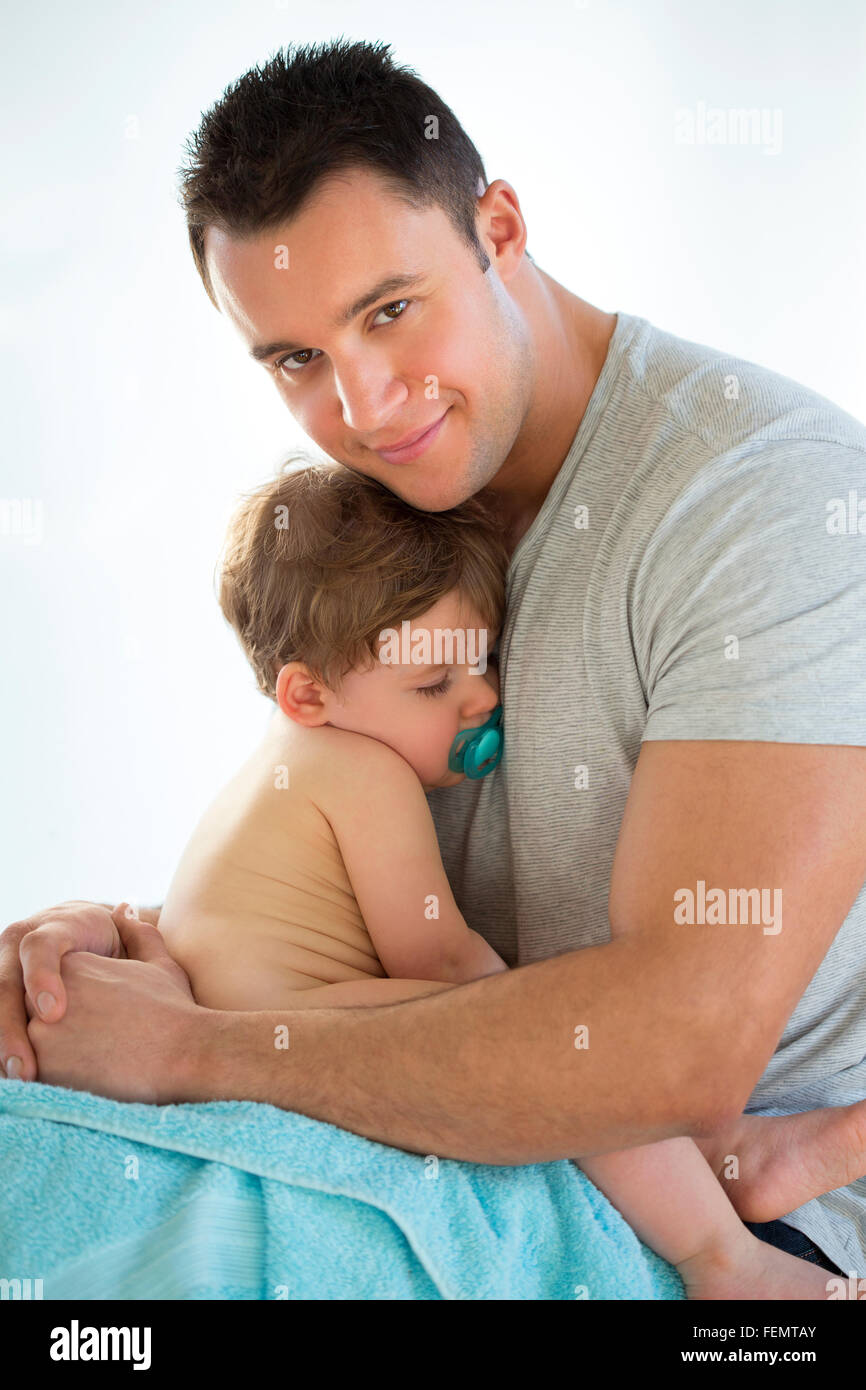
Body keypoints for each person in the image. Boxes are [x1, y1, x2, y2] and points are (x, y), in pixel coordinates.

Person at [3, 39, 866, 1282]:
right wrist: (120, 951)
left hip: (724, 1226)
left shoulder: (758, 499)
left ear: (497, 228)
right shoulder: (386, 513)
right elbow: (339, 876)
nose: (362, 406)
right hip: (460, 1146)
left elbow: (680, 1048)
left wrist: (193, 1048)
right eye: (296, 359)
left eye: (388, 310)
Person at [127, 457, 845, 1298]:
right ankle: (725, 1259)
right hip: (284, 1021)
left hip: (246, 1017)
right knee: (570, 1064)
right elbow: (437, 958)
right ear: (307, 696)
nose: (481, 700)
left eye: (484, 662)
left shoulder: (280, 765)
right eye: (434, 683)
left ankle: (727, 1162)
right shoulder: (363, 773)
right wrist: (535, 1031)